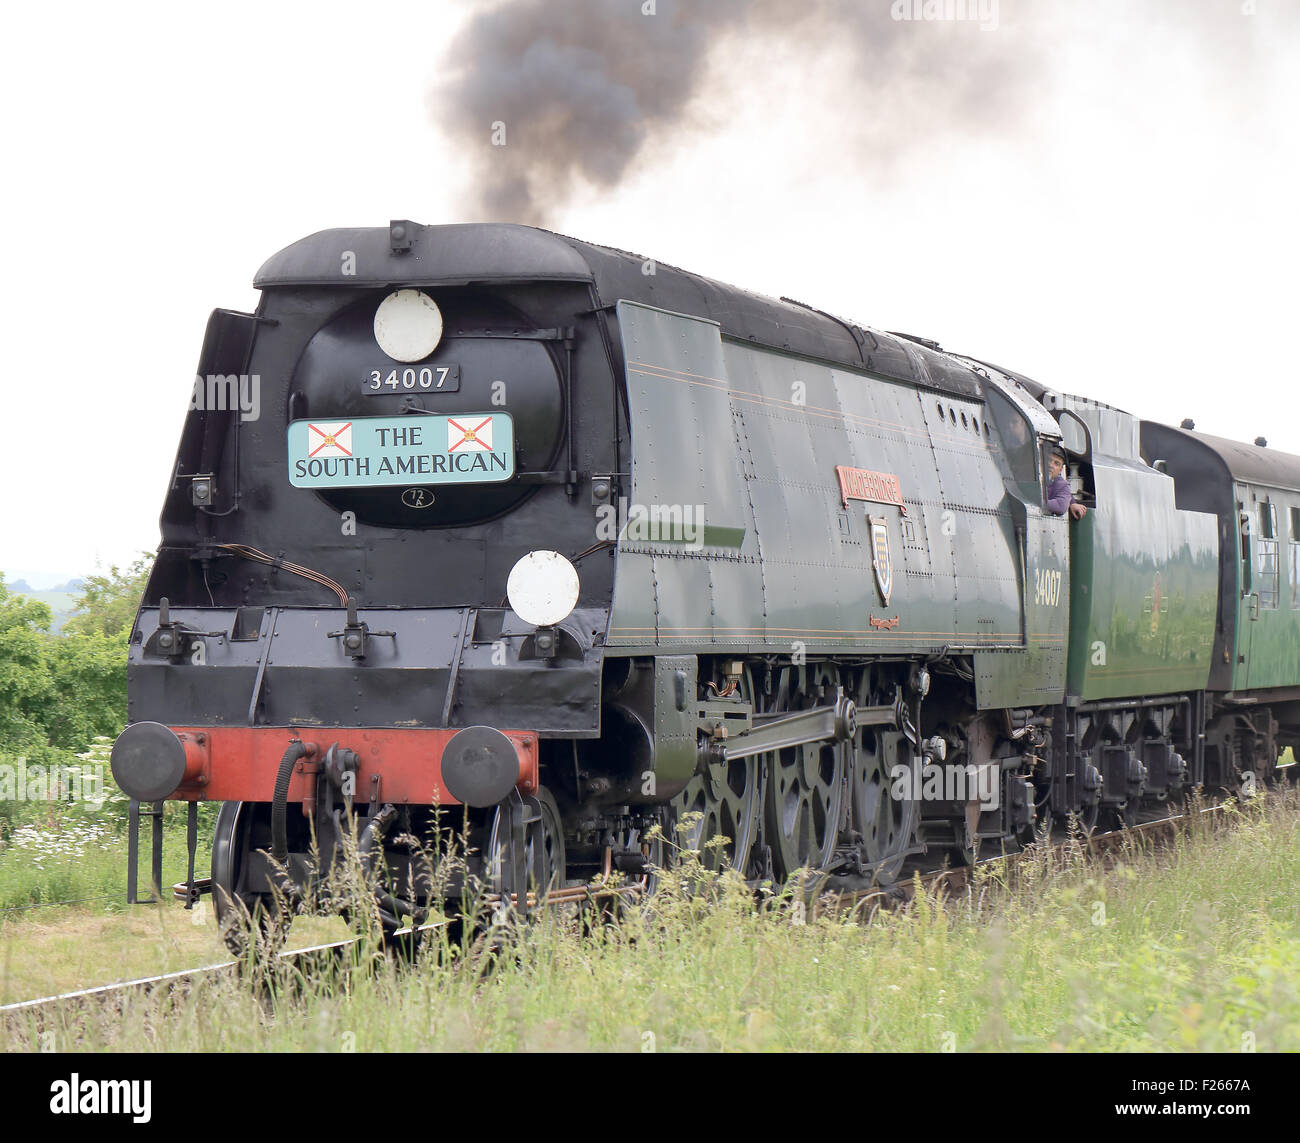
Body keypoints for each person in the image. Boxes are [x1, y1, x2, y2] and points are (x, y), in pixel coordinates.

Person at [1046, 448, 1087, 520]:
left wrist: (1034, 501)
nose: (1051, 465)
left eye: (1056, 463)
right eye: (1049, 460)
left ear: (1060, 470)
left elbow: (1060, 506)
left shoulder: (1063, 485)